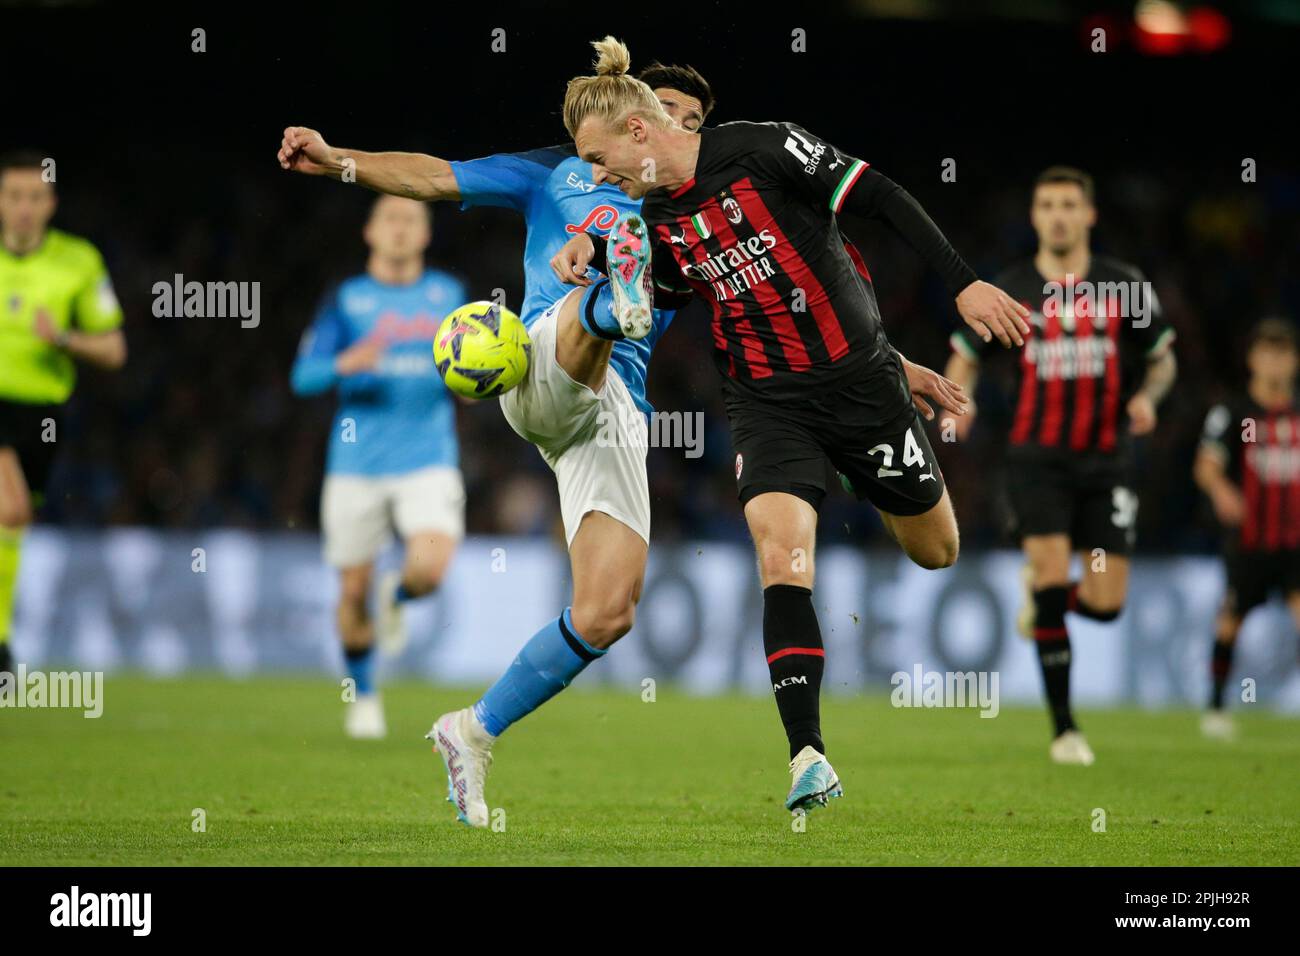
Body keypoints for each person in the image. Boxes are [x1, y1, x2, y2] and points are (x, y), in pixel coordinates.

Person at [556, 36, 1027, 814]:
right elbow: (655, 285)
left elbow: (882, 197)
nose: (596, 176)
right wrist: (599, 248)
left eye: (599, 161)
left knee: (936, 551)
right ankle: (808, 754)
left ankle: (857, 471)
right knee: (782, 555)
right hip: (767, 403)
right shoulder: (652, 220)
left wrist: (964, 286)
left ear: (638, 131)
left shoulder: (765, 149)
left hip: (862, 388)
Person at [941, 166, 1177, 765]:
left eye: (1069, 205)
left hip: (1106, 463)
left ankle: (1047, 602)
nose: (1058, 216)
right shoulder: (1011, 289)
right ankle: (1065, 729)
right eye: (1047, 205)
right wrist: (959, 401)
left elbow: (1163, 359)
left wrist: (1149, 398)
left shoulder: (1125, 286)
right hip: (1036, 462)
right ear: (1034, 216)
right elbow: (965, 354)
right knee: (1050, 577)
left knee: (1105, 601)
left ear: (1089, 215)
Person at [291, 195, 468, 739]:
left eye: (411, 219)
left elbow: (471, 368)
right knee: (351, 592)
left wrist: (477, 383)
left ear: (425, 234)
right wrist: (346, 362)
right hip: (357, 463)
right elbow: (303, 378)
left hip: (428, 458)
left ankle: (398, 595)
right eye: (389, 218)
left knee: (429, 571)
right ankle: (364, 695)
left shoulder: (449, 295)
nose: (399, 228)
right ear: (369, 232)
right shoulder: (348, 299)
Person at [0, 150, 127, 678]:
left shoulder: (78, 262)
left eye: (34, 197)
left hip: (43, 416)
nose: (23, 207)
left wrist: (65, 339)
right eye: (14, 196)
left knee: (13, 522)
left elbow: (114, 350)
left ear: (50, 203)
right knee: (9, 509)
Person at [1195, 318, 1300, 741]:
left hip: (1295, 543)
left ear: (1294, 361)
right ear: (1253, 359)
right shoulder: (1236, 413)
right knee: (1231, 621)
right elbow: (1206, 465)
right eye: (1267, 352)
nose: (1275, 362)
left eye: (1283, 353)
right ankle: (1216, 706)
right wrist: (1222, 490)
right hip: (1249, 542)